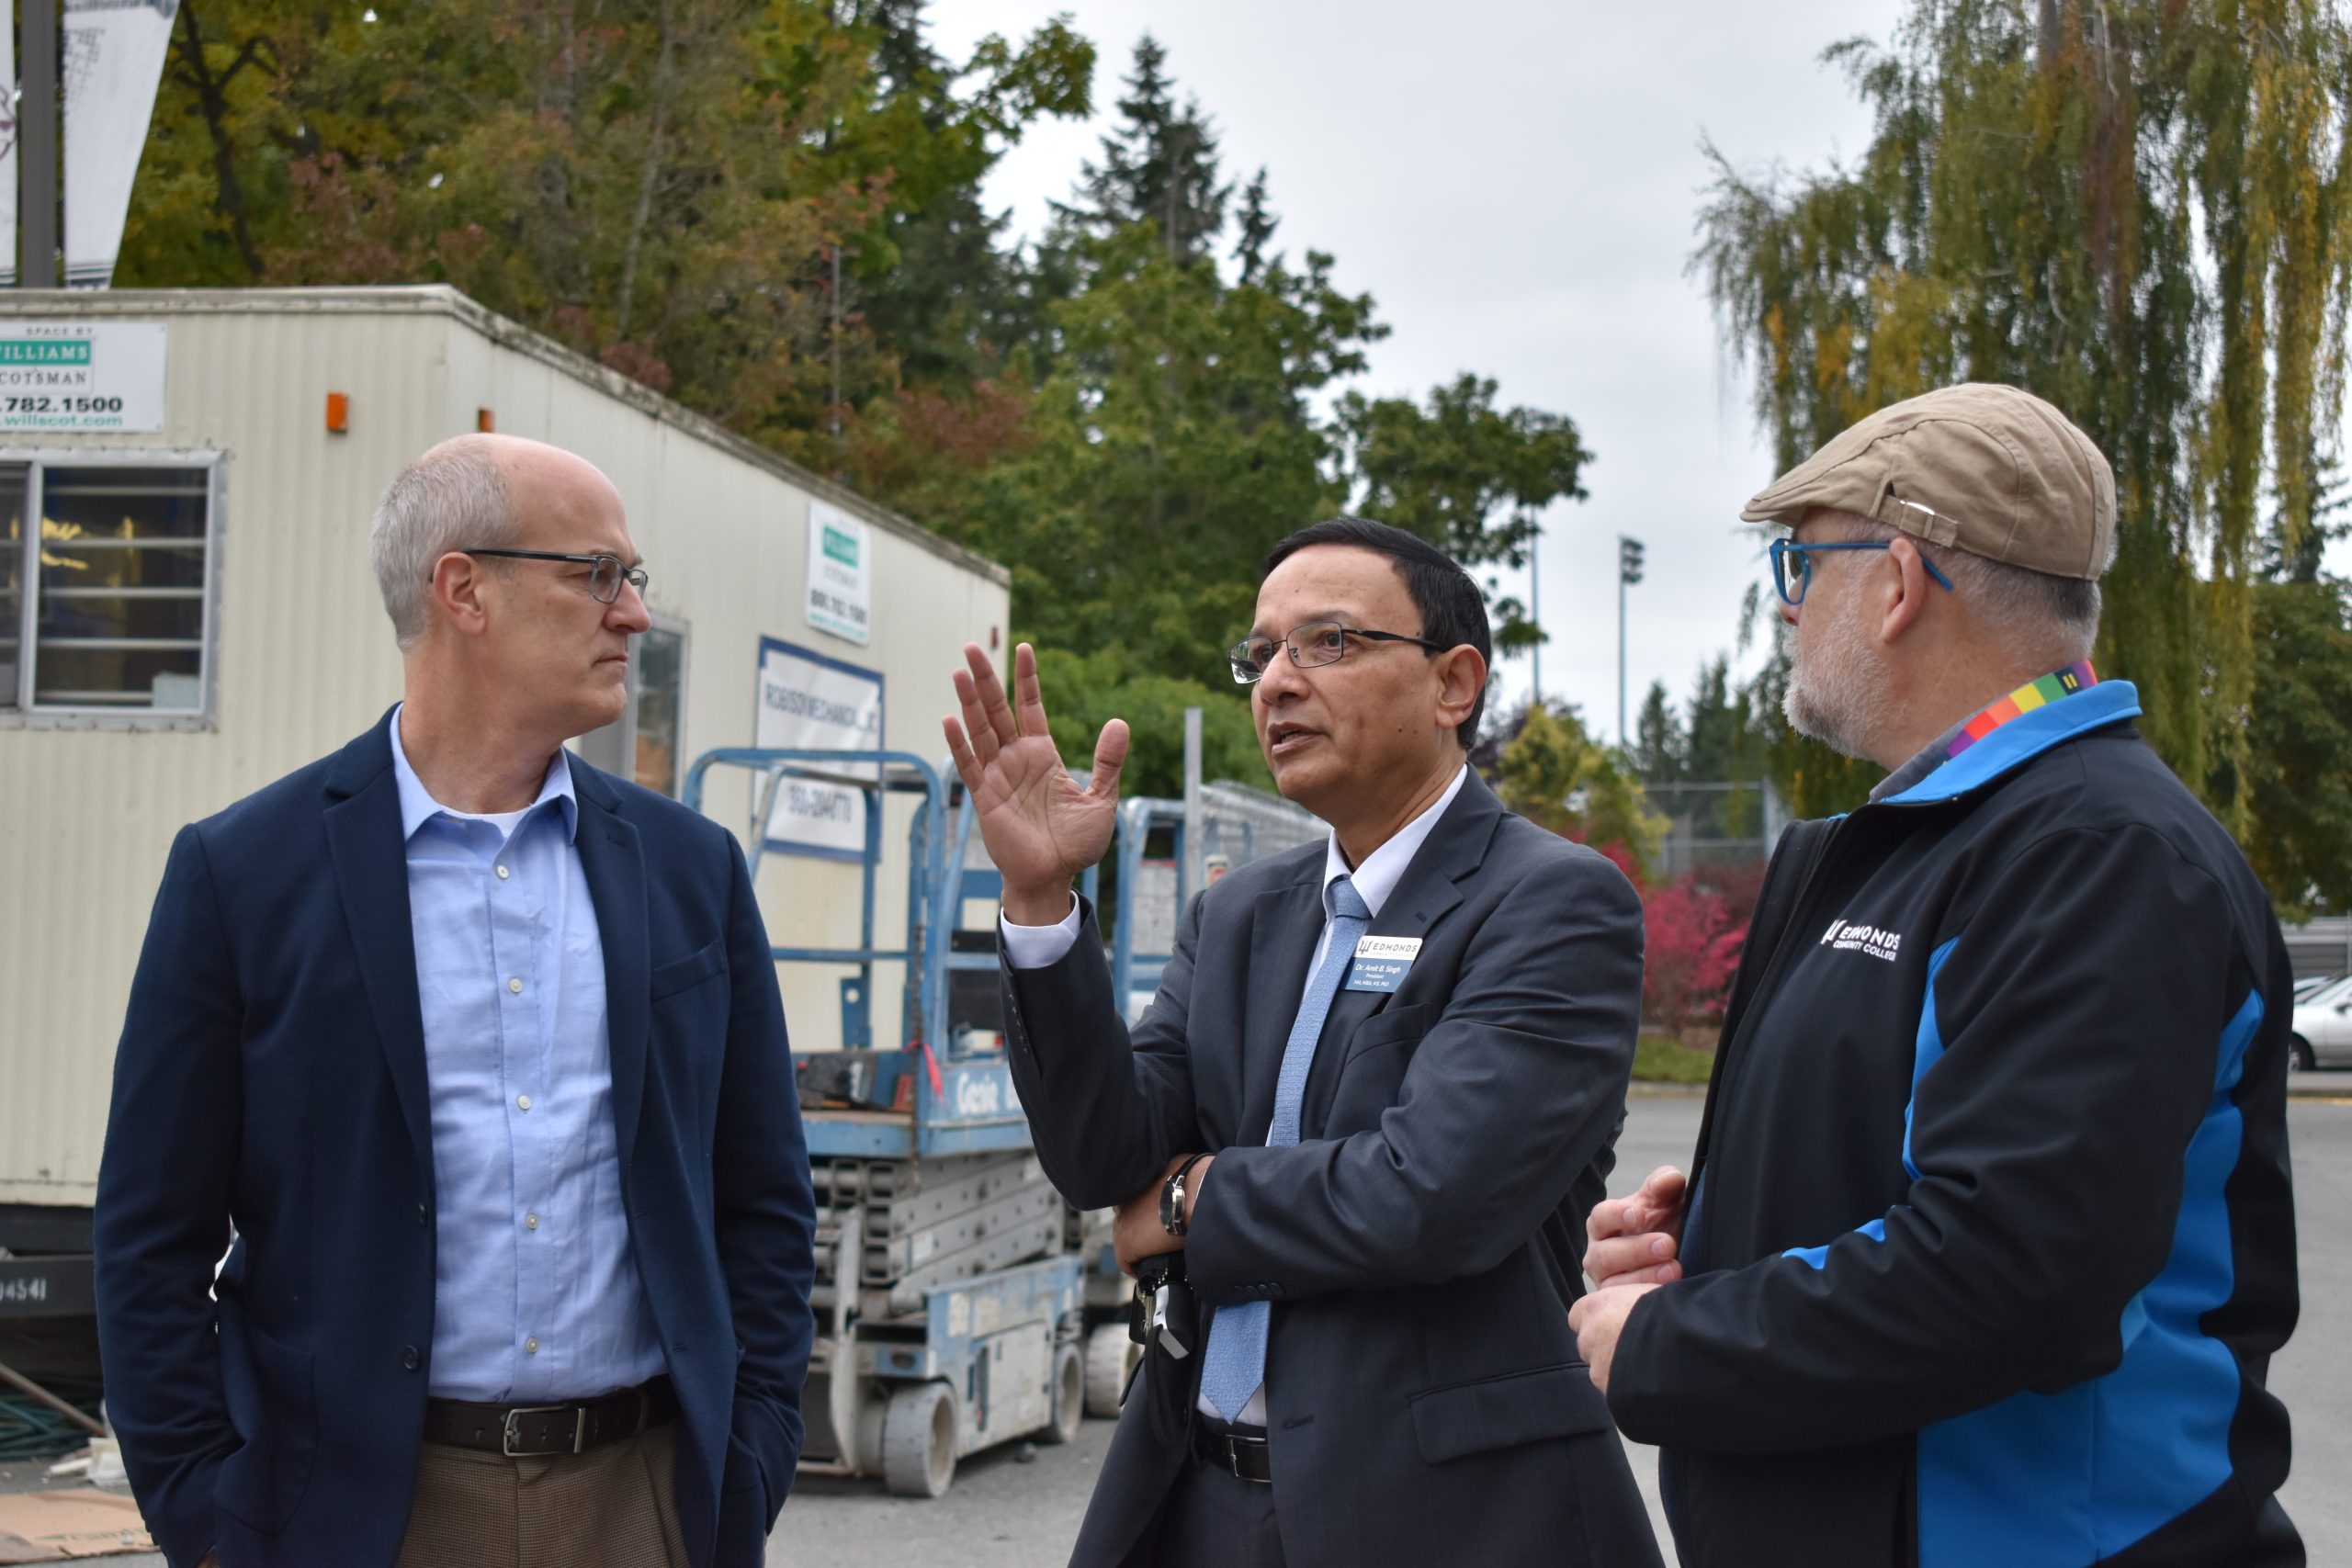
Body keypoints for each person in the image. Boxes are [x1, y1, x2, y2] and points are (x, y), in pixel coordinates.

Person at [1572, 384, 2301, 1567]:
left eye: (1800, 564)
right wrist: (1712, 1233)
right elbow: (1944, 1159)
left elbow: (2014, 1269)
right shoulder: (1900, 845)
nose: (1788, 606)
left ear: (1900, 581)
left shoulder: (2095, 853)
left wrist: (1668, 1341)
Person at [94, 435, 816, 1568]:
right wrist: (207, 1518)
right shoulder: (245, 875)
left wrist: (750, 1456)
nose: (632, 613)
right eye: (598, 574)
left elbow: (764, 1197)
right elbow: (150, 1236)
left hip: (645, 1504)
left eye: (631, 579)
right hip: (357, 1516)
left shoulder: (691, 870)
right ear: (463, 590)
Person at [943, 518, 1662, 1568]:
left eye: (1328, 642)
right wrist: (1041, 897)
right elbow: (1104, 1155)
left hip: (1445, 1519)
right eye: (1262, 653)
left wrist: (1188, 1201)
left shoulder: (1552, 903)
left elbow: (1427, 1198)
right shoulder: (1241, 914)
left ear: (1453, 684)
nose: (1277, 681)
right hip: (1198, 1499)